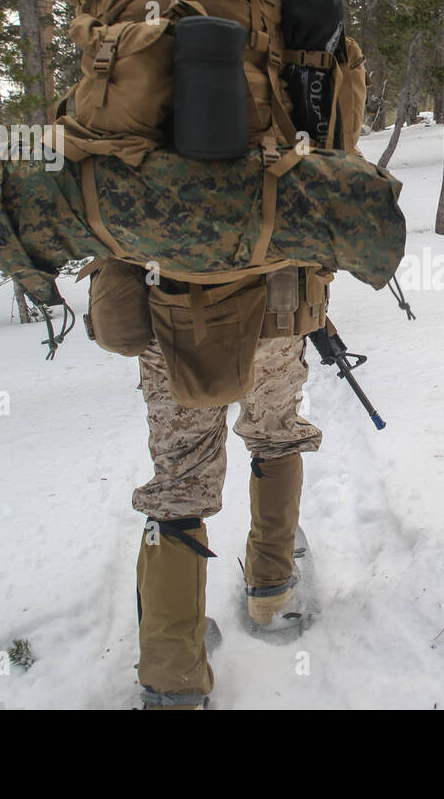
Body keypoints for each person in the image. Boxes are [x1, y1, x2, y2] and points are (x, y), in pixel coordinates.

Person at [129, 267, 326, 710]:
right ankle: (271, 594)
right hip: (273, 317)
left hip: (167, 322)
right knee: (275, 436)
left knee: (178, 485)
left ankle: (173, 680)